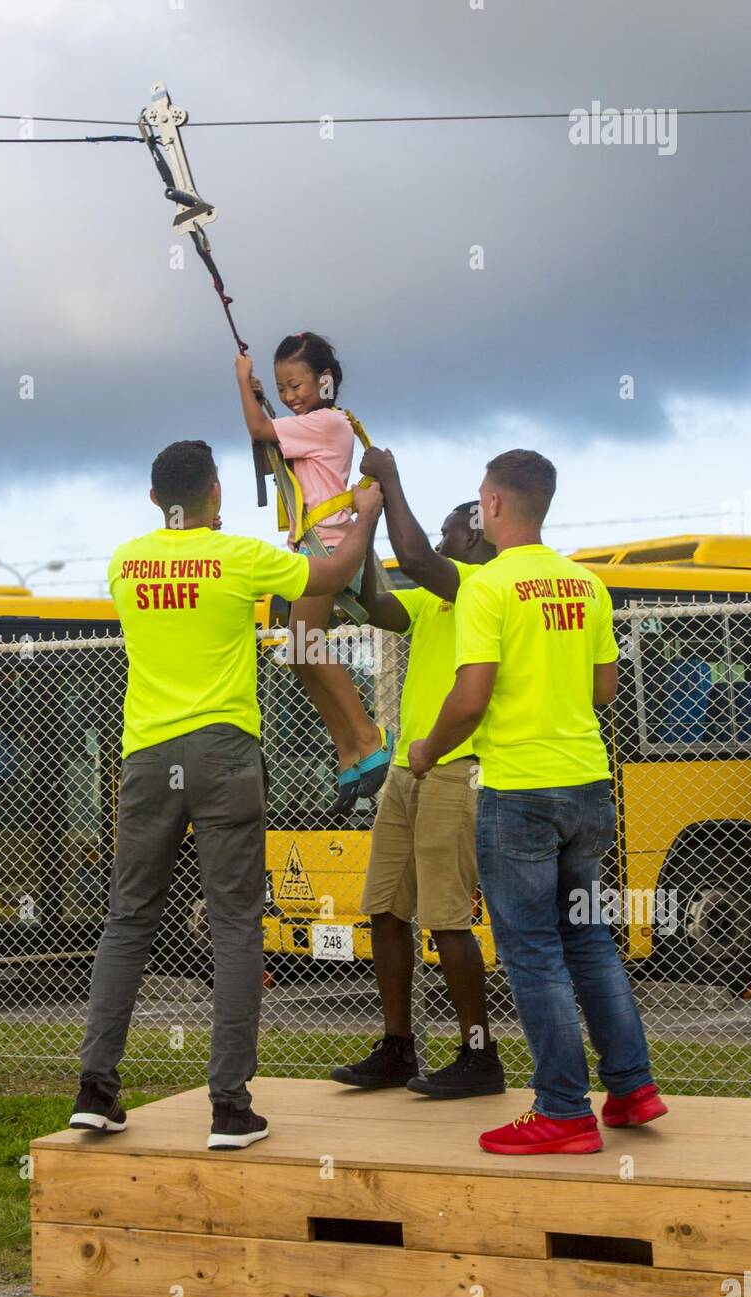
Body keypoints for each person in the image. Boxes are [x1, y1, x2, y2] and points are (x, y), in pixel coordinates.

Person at [71, 439, 383, 1150]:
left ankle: (95, 1090)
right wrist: (362, 513)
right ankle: (229, 1108)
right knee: (236, 924)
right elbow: (333, 572)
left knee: (128, 919)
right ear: (216, 493)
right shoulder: (238, 557)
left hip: (147, 757)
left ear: (154, 499)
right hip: (224, 752)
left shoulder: (123, 563)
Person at [409, 449, 666, 1155]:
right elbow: (605, 690)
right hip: (587, 782)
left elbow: (471, 697)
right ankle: (632, 1089)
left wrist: (426, 750)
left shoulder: (487, 588)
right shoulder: (587, 585)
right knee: (589, 939)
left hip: (519, 791)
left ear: (492, 505)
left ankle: (563, 1111)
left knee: (532, 952)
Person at [331, 447, 505, 1098]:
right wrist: (368, 513)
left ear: (476, 533)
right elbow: (375, 599)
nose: (438, 537)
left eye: (448, 528)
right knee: (383, 911)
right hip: (408, 771)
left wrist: (391, 480)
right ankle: (398, 1048)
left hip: (454, 770)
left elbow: (417, 557)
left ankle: (478, 1055)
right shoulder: (436, 599)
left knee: (448, 919)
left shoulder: (479, 585)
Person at [235, 332, 393, 813]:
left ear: (325, 382)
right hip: (310, 548)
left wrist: (242, 383)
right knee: (301, 654)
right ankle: (348, 750)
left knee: (304, 642)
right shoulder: (312, 424)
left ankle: (368, 735)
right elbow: (271, 431)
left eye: (296, 385)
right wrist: (262, 399)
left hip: (329, 546)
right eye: (282, 388)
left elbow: (261, 432)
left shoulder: (327, 422)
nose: (289, 396)